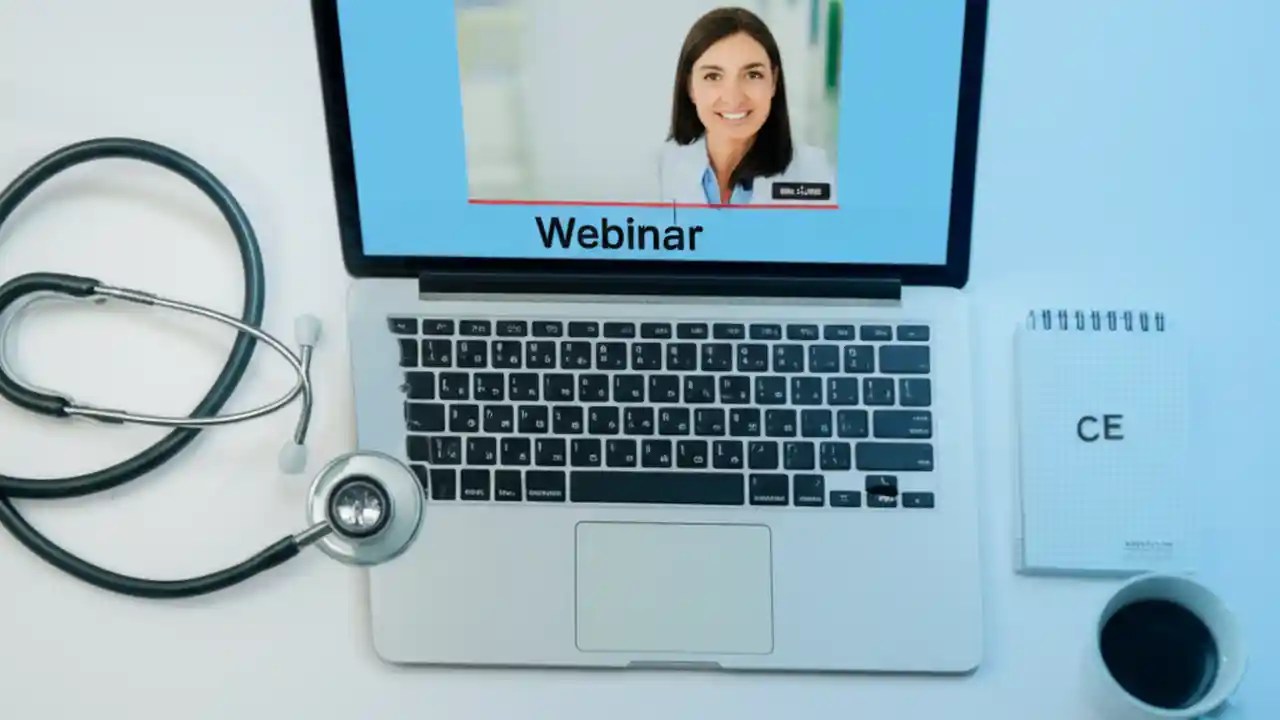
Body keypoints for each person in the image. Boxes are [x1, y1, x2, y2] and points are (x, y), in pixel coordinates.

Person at [658, 6, 835, 206]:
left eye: (752, 75)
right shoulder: (655, 175)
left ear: (773, 81)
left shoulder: (815, 173)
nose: (733, 98)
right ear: (690, 86)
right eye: (713, 76)